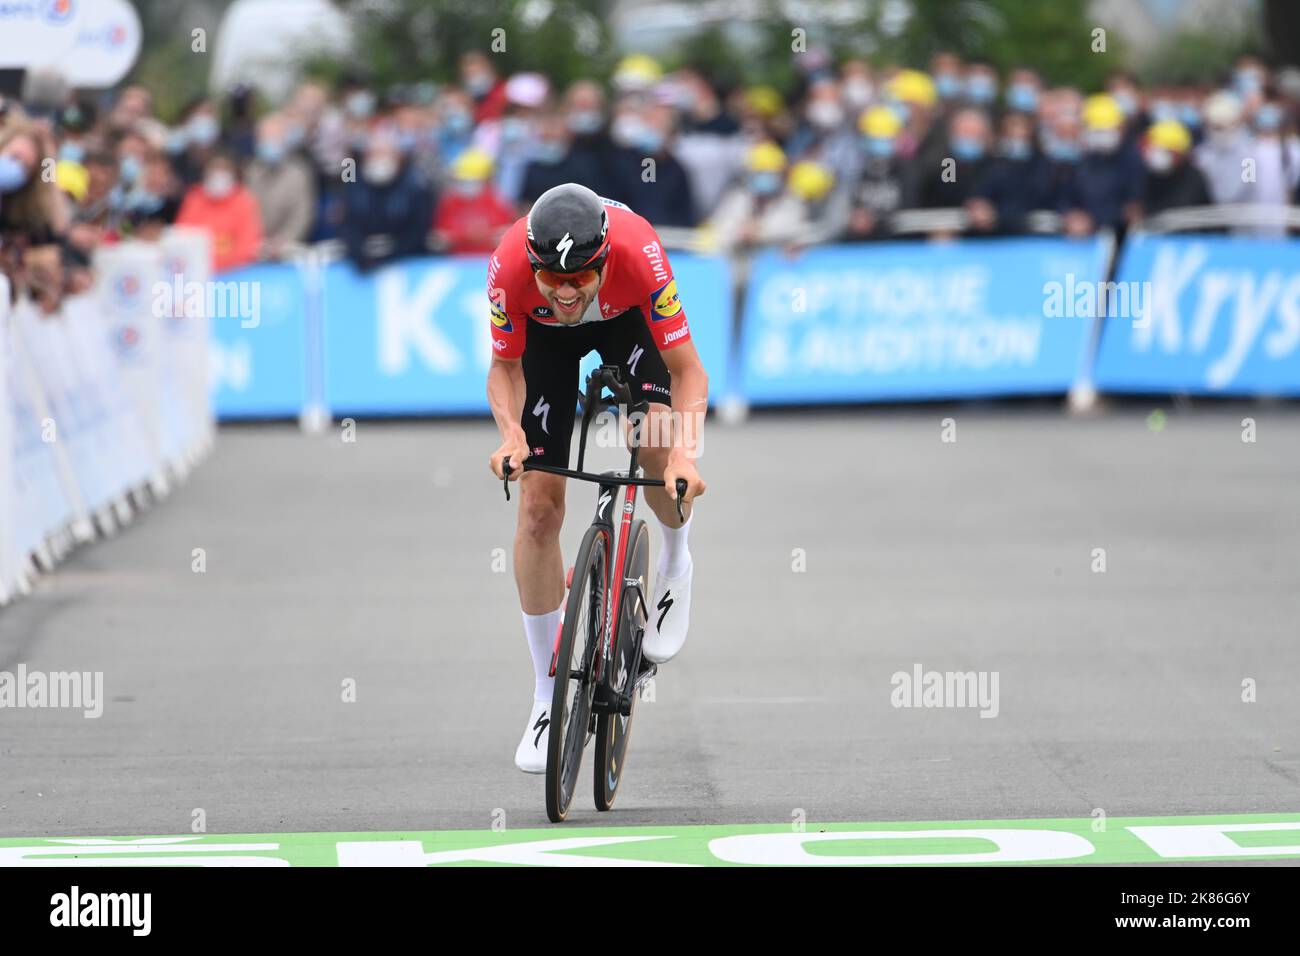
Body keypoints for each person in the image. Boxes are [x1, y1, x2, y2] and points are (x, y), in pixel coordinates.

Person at [485, 183, 708, 773]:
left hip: (624, 321)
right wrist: (511, 433)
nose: (564, 291)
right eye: (550, 278)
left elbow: (688, 371)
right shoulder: (508, 266)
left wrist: (685, 454)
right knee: (537, 508)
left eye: (579, 277)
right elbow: (505, 368)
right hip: (546, 346)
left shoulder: (641, 255)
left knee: (654, 446)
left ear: (604, 260)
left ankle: (676, 560)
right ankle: (543, 694)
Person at [175, 151, 263, 273]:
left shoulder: (244, 201)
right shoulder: (194, 198)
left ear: (233, 175)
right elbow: (183, 236)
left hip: (235, 273)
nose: (218, 176)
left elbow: (247, 247)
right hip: (197, 272)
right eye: (214, 171)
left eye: (224, 171)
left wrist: (218, 264)